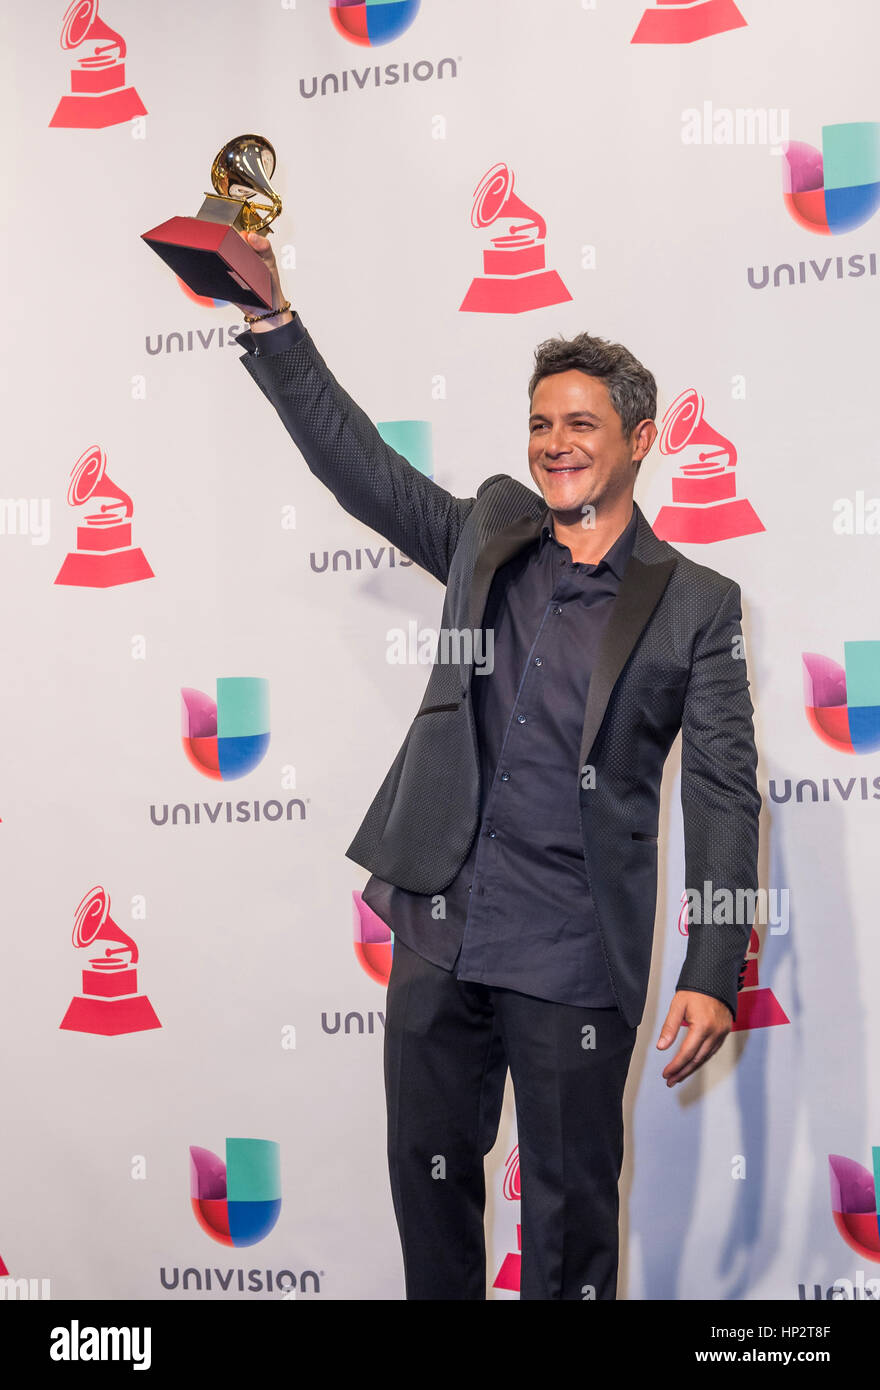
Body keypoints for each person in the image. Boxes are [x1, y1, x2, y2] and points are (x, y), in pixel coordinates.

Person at [232, 228, 761, 1301]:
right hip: (442, 932)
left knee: (566, 1235)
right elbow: (360, 468)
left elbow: (719, 790)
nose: (555, 444)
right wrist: (273, 324)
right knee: (429, 1205)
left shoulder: (694, 604)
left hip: (571, 955)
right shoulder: (489, 536)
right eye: (540, 424)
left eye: (581, 423)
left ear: (641, 437)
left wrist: (713, 969)